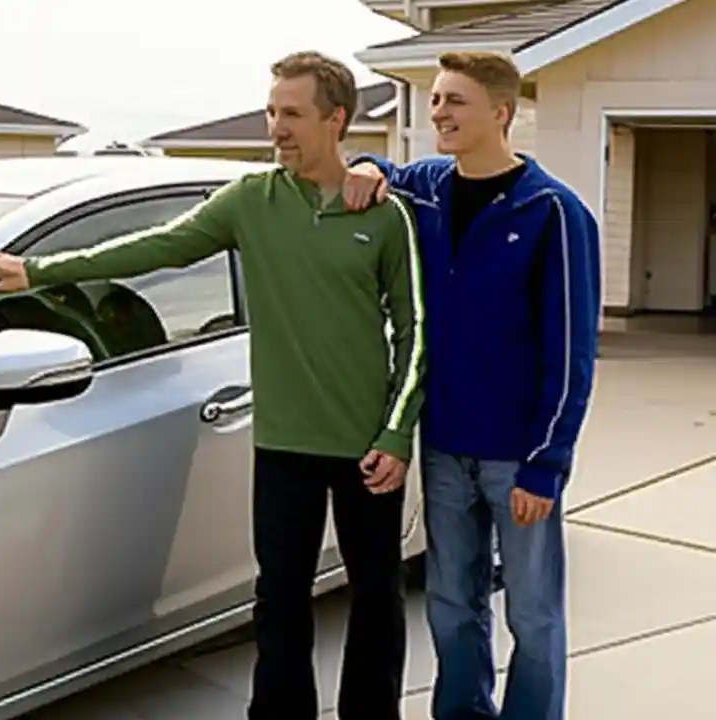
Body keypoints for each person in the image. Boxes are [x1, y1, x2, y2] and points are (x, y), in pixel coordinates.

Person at [0, 51, 425, 720]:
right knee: (281, 600)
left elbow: (416, 330)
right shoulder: (251, 202)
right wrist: (36, 271)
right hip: (285, 444)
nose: (276, 127)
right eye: (271, 111)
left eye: (292, 114)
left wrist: (396, 433)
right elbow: (155, 247)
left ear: (336, 120)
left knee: (376, 597)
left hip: (368, 448)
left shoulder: (384, 216)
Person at [341, 51, 600, 720]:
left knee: (534, 615)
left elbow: (571, 352)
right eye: (435, 100)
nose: (438, 113)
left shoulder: (553, 211)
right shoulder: (428, 187)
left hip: (518, 454)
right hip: (445, 445)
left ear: (501, 112)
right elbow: (383, 170)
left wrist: (547, 463)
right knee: (453, 606)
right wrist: (368, 166)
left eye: (454, 101)